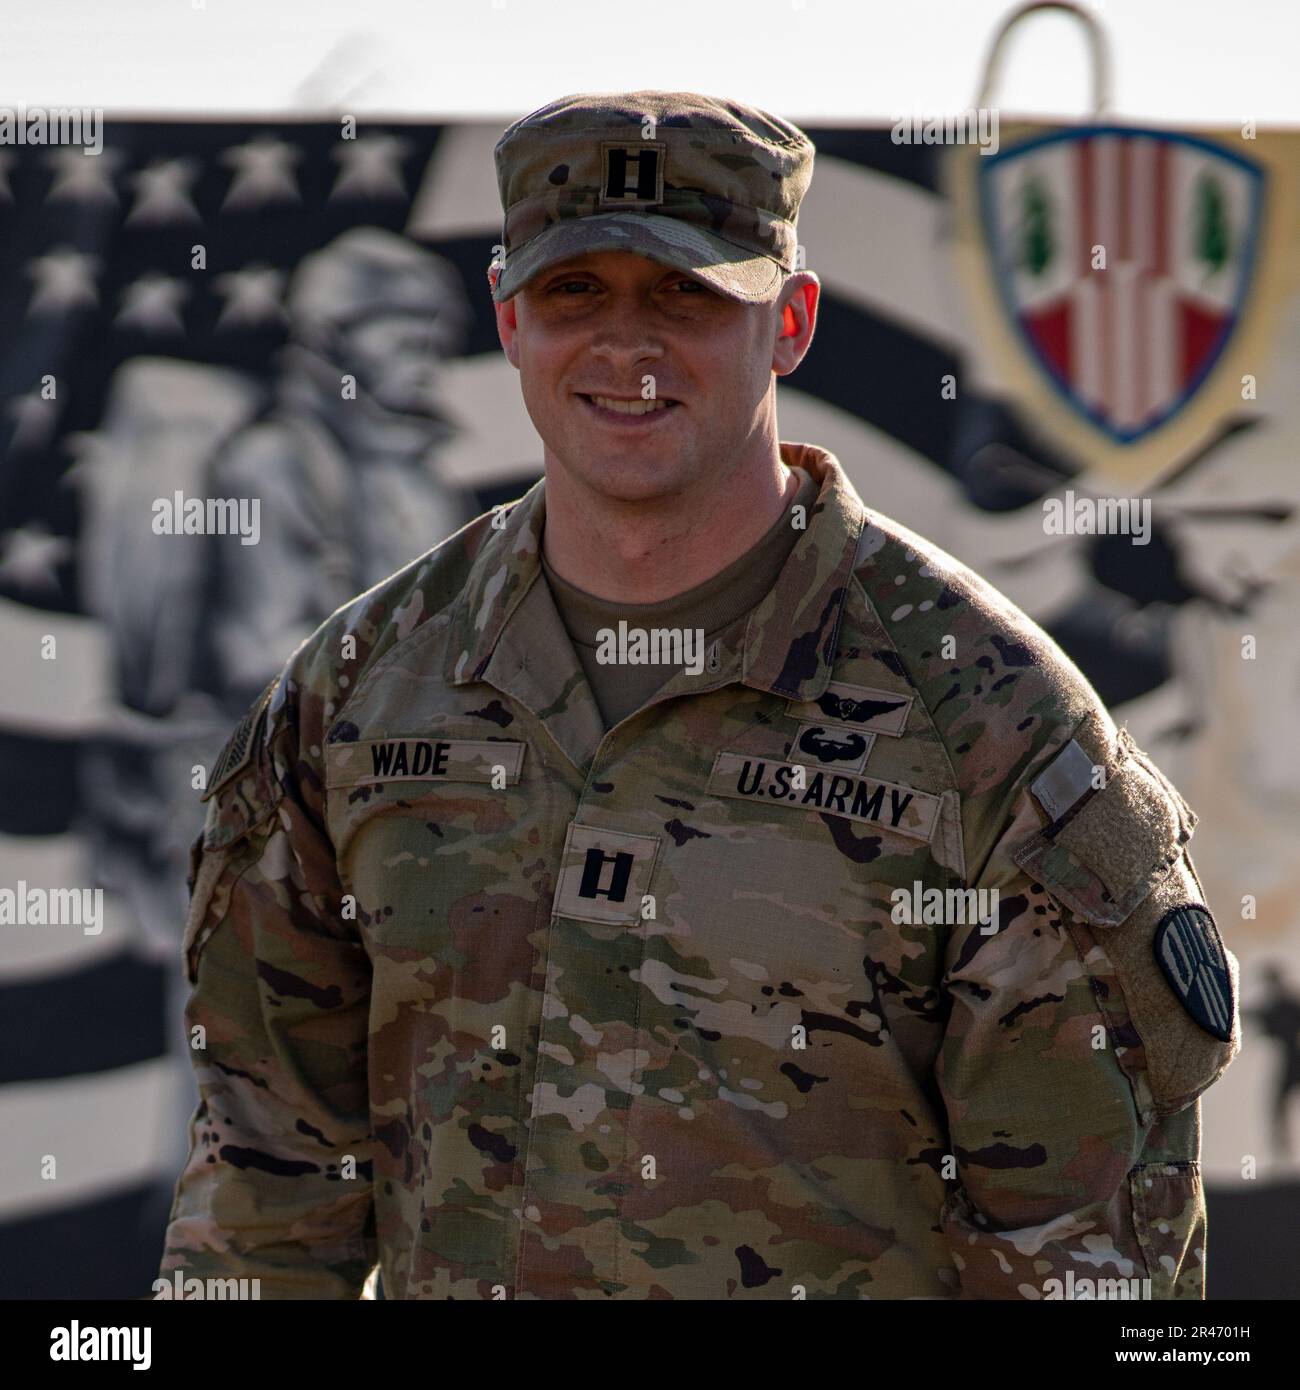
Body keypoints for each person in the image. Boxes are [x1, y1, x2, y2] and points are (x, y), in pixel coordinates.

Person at [160, 90, 1240, 1300]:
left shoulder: (990, 724)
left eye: (689, 291)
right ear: (508, 317)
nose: (629, 345)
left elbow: (1088, 1261)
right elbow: (266, 1198)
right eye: (579, 292)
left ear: (789, 322)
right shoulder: (360, 693)